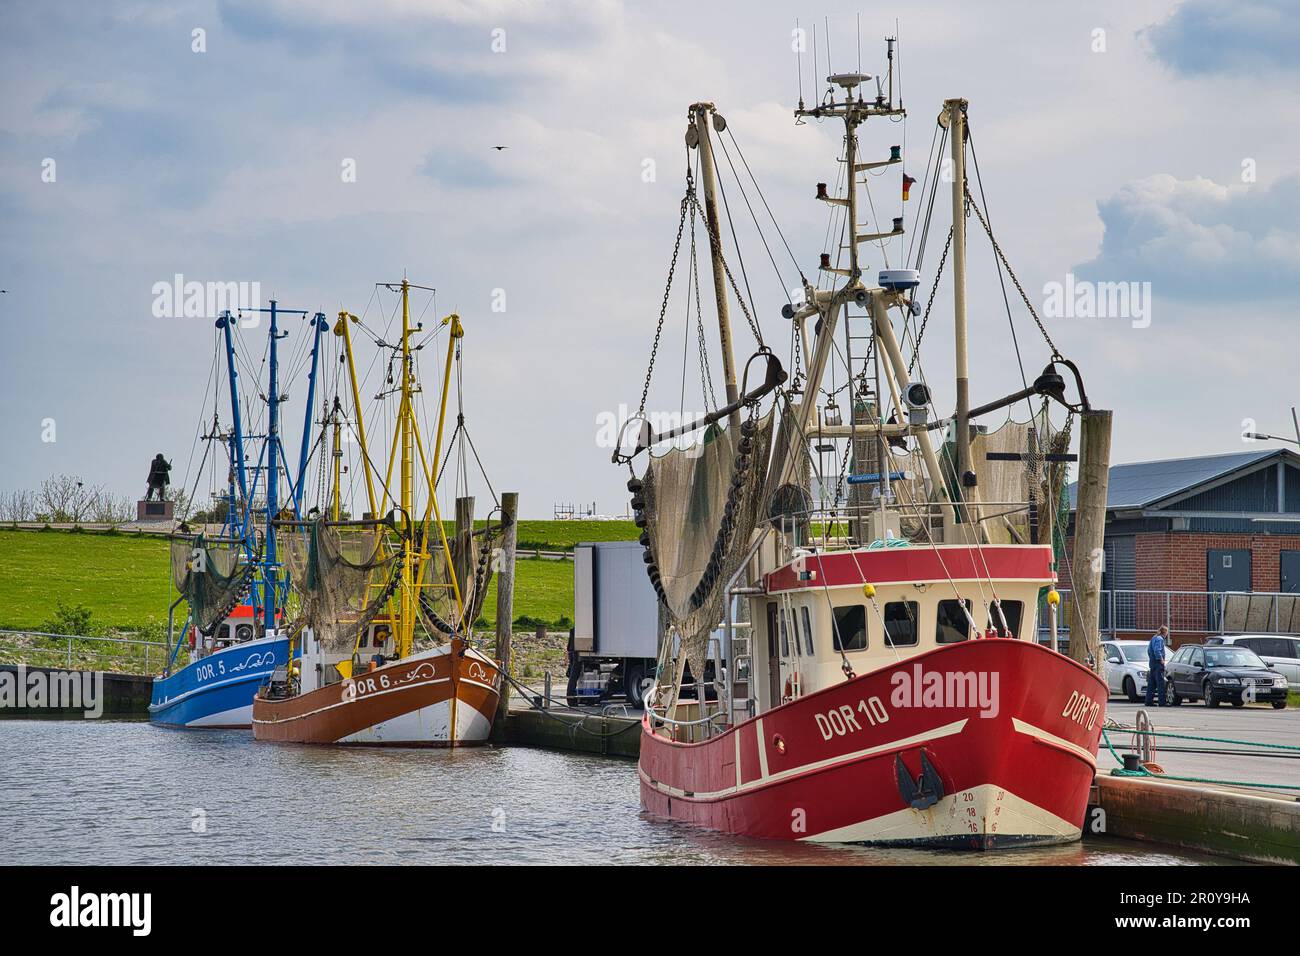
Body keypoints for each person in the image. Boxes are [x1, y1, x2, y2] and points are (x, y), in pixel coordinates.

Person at [1144, 625, 1169, 706]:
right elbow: (1157, 650)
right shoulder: (1160, 639)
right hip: (1158, 664)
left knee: (1151, 683)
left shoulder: (1154, 637)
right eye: (1167, 632)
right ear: (1165, 632)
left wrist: (1152, 658)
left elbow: (1149, 650)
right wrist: (1161, 659)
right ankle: (1162, 702)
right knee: (1160, 683)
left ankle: (1148, 701)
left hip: (1152, 663)